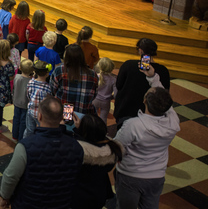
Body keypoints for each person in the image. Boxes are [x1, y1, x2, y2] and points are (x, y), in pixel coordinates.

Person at [0, 97, 84, 209]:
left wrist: (5, 197)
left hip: (28, 203)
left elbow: (11, 176)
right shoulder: (76, 146)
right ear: (61, 118)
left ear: (39, 116)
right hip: (61, 203)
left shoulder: (25, 146)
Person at [113, 66, 179, 209]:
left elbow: (116, 147)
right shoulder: (173, 121)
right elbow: (163, 95)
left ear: (144, 101)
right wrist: (153, 77)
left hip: (130, 175)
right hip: (156, 176)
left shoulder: (133, 125)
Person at [71, 114, 124, 209]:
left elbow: (76, 143)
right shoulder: (111, 152)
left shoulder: (79, 152)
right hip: (100, 193)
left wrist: (77, 130)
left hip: (79, 196)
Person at [113, 38, 169, 124]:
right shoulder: (163, 71)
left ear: (140, 50)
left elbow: (119, 85)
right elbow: (165, 93)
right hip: (151, 113)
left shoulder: (128, 65)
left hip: (126, 108)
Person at [49, 44, 98, 115]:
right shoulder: (92, 74)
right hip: (84, 111)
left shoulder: (60, 71)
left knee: (67, 124)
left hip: (64, 110)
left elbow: (53, 90)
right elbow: (94, 94)